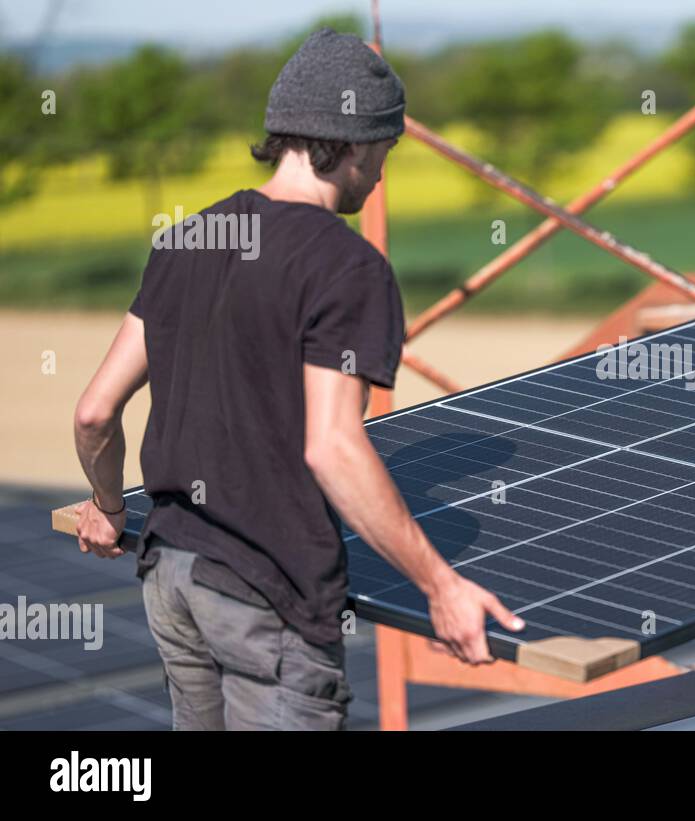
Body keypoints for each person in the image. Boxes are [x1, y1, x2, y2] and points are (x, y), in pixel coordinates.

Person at [71, 28, 523, 731]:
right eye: (382, 150)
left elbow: (96, 411)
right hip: (265, 599)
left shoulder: (188, 238)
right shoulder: (348, 269)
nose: (380, 176)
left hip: (172, 579)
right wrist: (443, 587)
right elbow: (333, 447)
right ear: (342, 144)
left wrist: (106, 502)